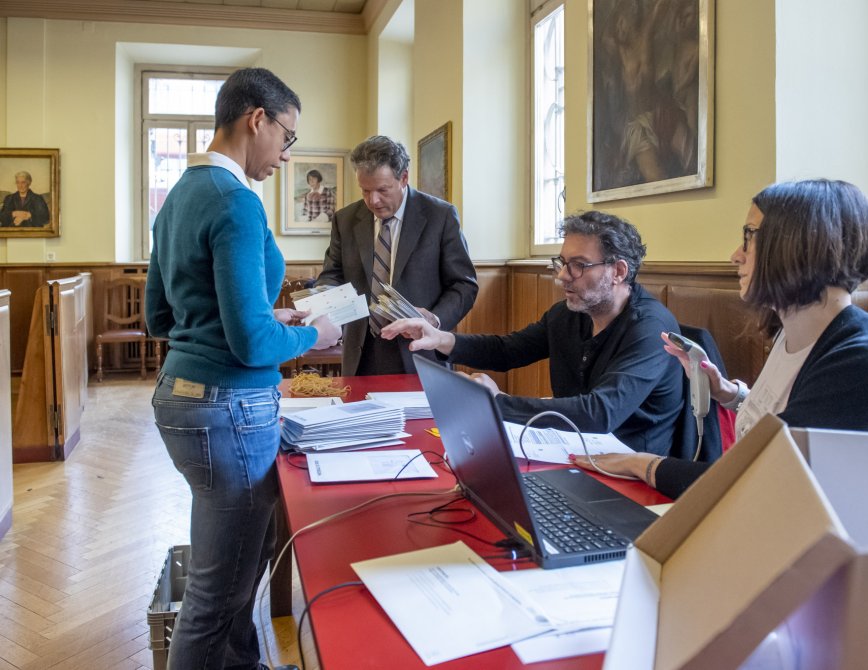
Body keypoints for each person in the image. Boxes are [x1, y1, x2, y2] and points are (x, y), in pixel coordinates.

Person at [145, 68, 340, 670]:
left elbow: (160, 317)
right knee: (217, 591)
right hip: (227, 405)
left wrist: (265, 316)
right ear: (257, 117)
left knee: (231, 570)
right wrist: (314, 333)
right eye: (287, 137)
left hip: (182, 393)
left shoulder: (179, 194)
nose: (286, 154)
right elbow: (253, 345)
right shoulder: (236, 202)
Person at [573, 180, 868, 497]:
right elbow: (786, 422)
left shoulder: (865, 363)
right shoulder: (794, 334)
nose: (736, 255)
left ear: (797, 246)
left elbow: (753, 481)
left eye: (749, 237)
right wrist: (729, 394)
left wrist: (641, 465)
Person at [381, 210, 684, 453]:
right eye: (562, 263)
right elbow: (508, 350)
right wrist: (440, 338)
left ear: (618, 271)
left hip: (634, 474)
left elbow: (600, 413)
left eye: (578, 265)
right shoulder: (568, 314)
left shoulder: (650, 328)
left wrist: (495, 403)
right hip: (576, 452)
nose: (562, 277)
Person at [314, 135, 478, 376]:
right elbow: (333, 274)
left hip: (421, 351)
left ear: (404, 178)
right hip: (361, 352)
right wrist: (323, 302)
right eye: (365, 190)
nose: (373, 200)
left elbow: (464, 285)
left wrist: (433, 319)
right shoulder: (345, 219)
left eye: (382, 190)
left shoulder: (440, 216)